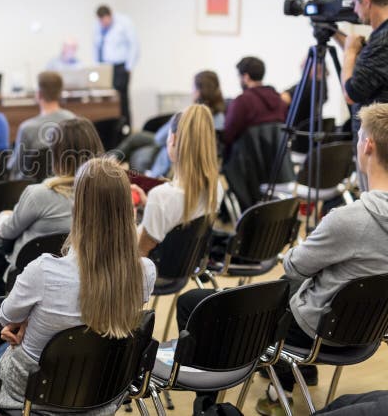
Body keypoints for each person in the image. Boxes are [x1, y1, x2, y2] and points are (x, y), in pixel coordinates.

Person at [177, 103, 388, 416]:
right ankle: (287, 379)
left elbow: (294, 265)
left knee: (196, 302)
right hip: (366, 331)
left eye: (358, 137)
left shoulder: (348, 220)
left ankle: (207, 406)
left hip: (313, 330)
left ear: (367, 145)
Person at [0, 157, 156, 414]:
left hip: (33, 394)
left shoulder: (44, 271)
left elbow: (6, 317)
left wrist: (27, 321)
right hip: (102, 389)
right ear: (128, 208)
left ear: (77, 208)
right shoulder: (145, 272)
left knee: (0, 350)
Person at [0, 117, 104, 275]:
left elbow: (6, 232)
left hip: (29, 282)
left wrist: (3, 218)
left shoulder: (38, 195)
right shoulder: (109, 194)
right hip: (88, 279)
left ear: (56, 154)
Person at [137, 104, 223, 257]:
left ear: (173, 139)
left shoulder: (161, 196)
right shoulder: (215, 187)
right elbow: (178, 214)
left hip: (154, 275)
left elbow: (141, 254)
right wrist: (148, 204)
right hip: (185, 268)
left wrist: (127, 221)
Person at [146, 70, 226, 178]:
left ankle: (152, 176)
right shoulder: (221, 118)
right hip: (207, 164)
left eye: (193, 88)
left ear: (198, 92)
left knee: (145, 141)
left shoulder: (187, 116)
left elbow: (159, 138)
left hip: (183, 160)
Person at [340, 0, 388, 131]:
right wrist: (333, 32)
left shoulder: (382, 40)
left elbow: (352, 94)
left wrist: (349, 52)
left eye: (355, 3)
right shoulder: (382, 37)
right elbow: (369, 68)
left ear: (366, 1)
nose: (354, 11)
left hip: (379, 140)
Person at [6, 71, 75, 179]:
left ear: (39, 94)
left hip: (34, 188)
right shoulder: (73, 120)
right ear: (60, 92)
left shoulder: (27, 128)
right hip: (67, 182)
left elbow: (16, 167)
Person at [223, 56, 288, 147]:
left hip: (245, 159)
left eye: (239, 76)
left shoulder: (242, 102)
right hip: (276, 160)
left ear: (245, 77)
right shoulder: (280, 101)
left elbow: (228, 135)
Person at [94, 4, 140, 127]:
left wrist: (129, 67)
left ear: (110, 15)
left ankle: (124, 128)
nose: (103, 23)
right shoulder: (98, 26)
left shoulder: (124, 22)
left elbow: (134, 45)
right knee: (106, 100)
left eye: (105, 20)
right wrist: (97, 67)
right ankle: (110, 130)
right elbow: (96, 47)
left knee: (121, 100)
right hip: (105, 67)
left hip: (121, 66)